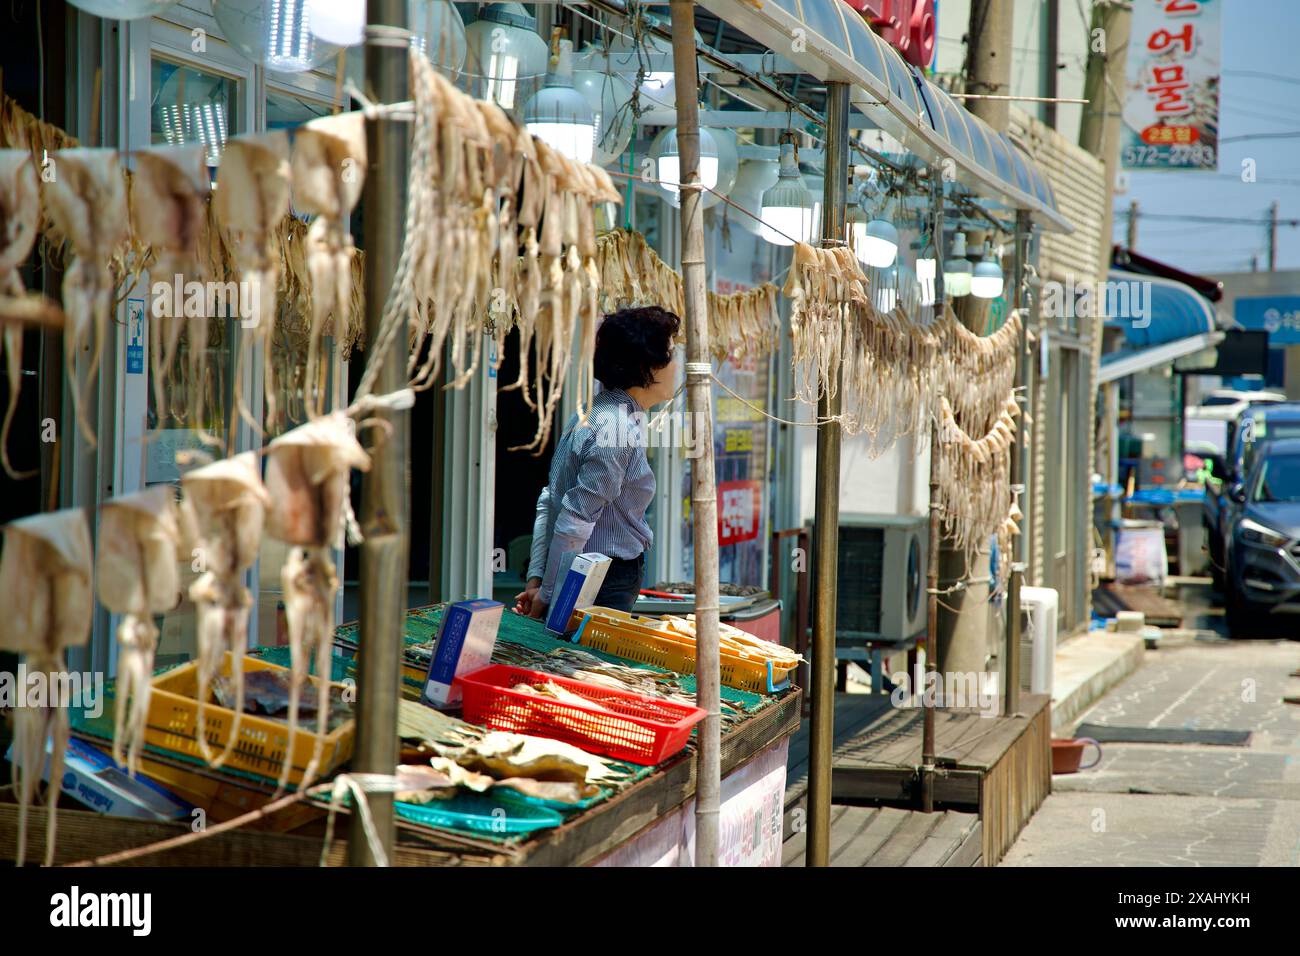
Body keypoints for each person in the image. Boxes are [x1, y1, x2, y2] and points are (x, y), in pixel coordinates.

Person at [514, 306, 680, 620]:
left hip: (582, 575)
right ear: (646, 366)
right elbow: (573, 520)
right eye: (670, 353)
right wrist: (549, 596)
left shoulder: (595, 414)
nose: (677, 364)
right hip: (599, 580)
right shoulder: (615, 429)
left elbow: (550, 501)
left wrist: (538, 581)